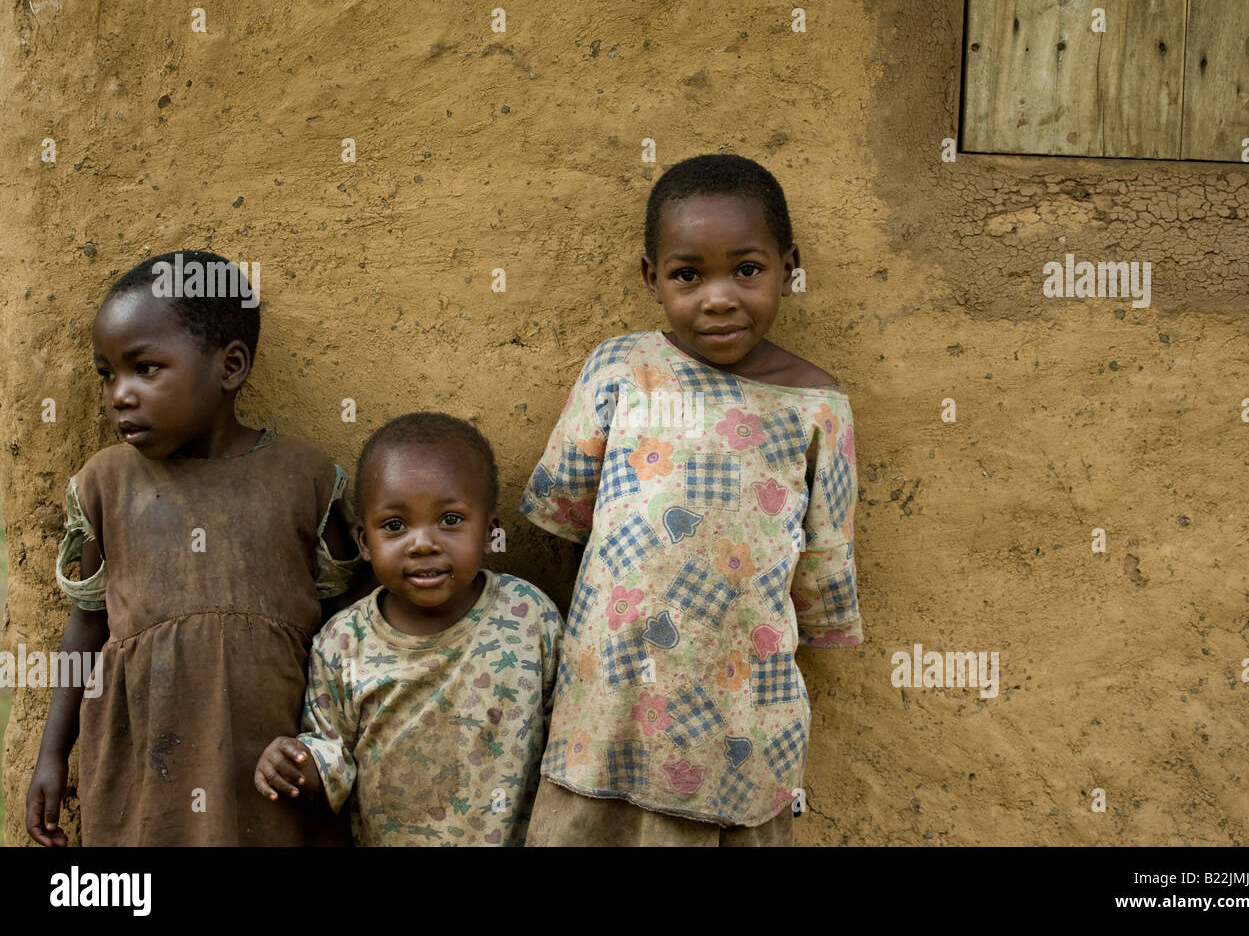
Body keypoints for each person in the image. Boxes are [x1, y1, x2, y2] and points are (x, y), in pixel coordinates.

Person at [519, 154, 862, 845]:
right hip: (609, 709)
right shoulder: (620, 369)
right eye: (687, 274)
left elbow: (822, 567)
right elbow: (570, 510)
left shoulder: (816, 408)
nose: (718, 297)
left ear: (788, 267)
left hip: (740, 724)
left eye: (746, 269)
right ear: (652, 278)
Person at [28, 250, 362, 846]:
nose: (119, 395)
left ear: (230, 366)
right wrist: (52, 755)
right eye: (107, 374)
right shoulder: (105, 484)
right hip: (145, 760)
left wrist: (336, 752)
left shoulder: (304, 479)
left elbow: (346, 633)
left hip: (271, 760)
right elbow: (86, 625)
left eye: (145, 369)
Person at [254, 413, 562, 845]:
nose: (422, 543)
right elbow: (332, 756)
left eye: (450, 519)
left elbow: (567, 744)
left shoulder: (529, 617)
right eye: (395, 526)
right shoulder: (344, 643)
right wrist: (297, 764)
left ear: (491, 533)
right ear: (365, 542)